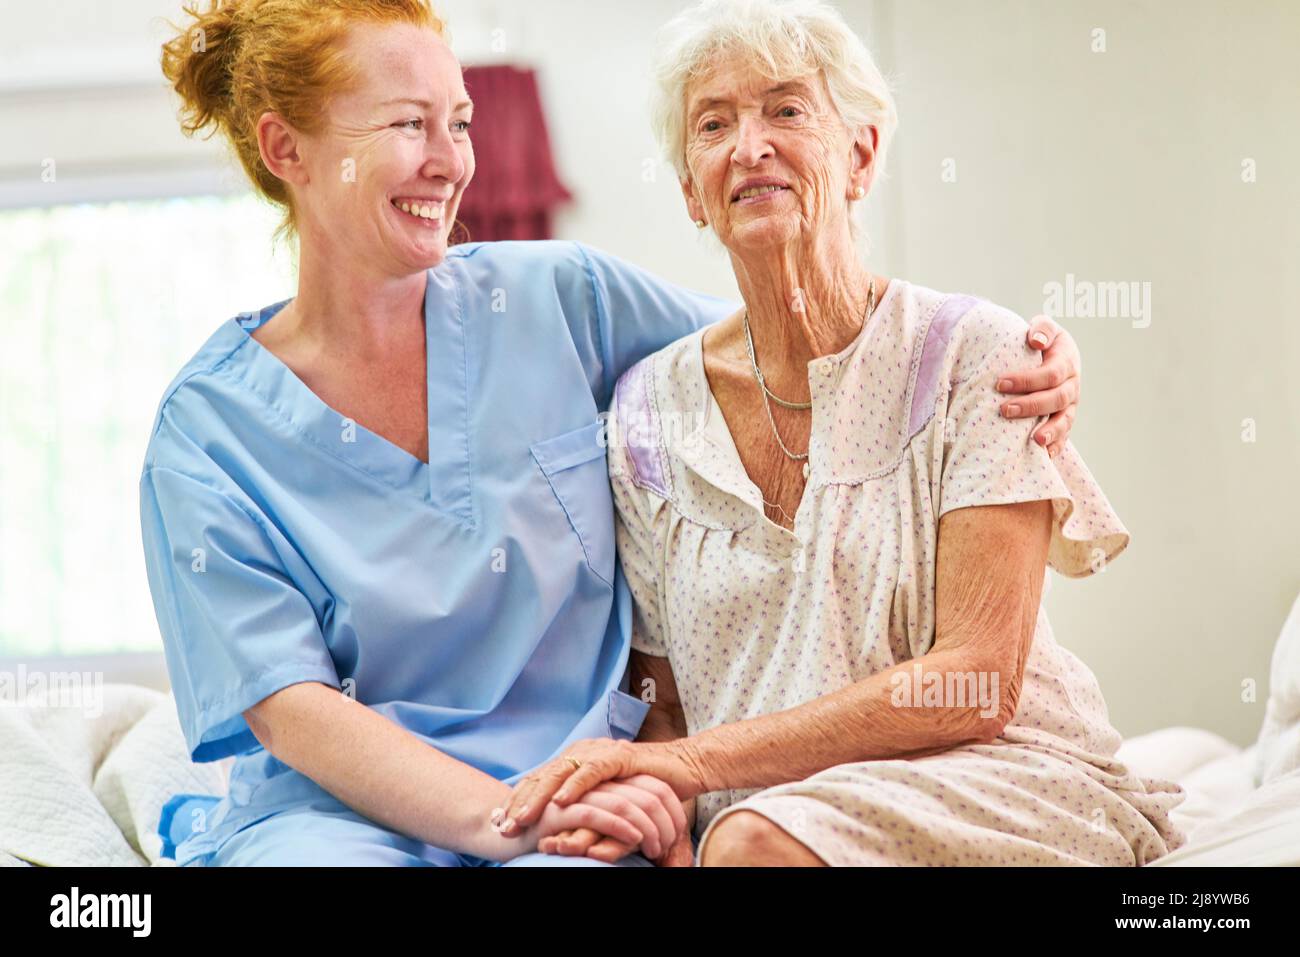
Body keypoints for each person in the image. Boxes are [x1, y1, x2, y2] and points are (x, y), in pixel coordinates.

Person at [142, 0, 1085, 866]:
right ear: (286, 148)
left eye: (459, 122)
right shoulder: (210, 433)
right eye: (405, 124)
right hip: (344, 818)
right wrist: (506, 818)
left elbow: (814, 338)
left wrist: (1022, 355)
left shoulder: (562, 300)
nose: (449, 160)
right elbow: (291, 707)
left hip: (587, 796)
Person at [498, 0, 1185, 867]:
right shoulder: (646, 412)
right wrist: (658, 809)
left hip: (994, 777)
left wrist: (683, 766)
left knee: (751, 842)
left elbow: (975, 682)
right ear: (690, 193)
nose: (750, 146)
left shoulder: (982, 357)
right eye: (714, 124)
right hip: (769, 813)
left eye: (786, 109)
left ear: (859, 156)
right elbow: (660, 695)